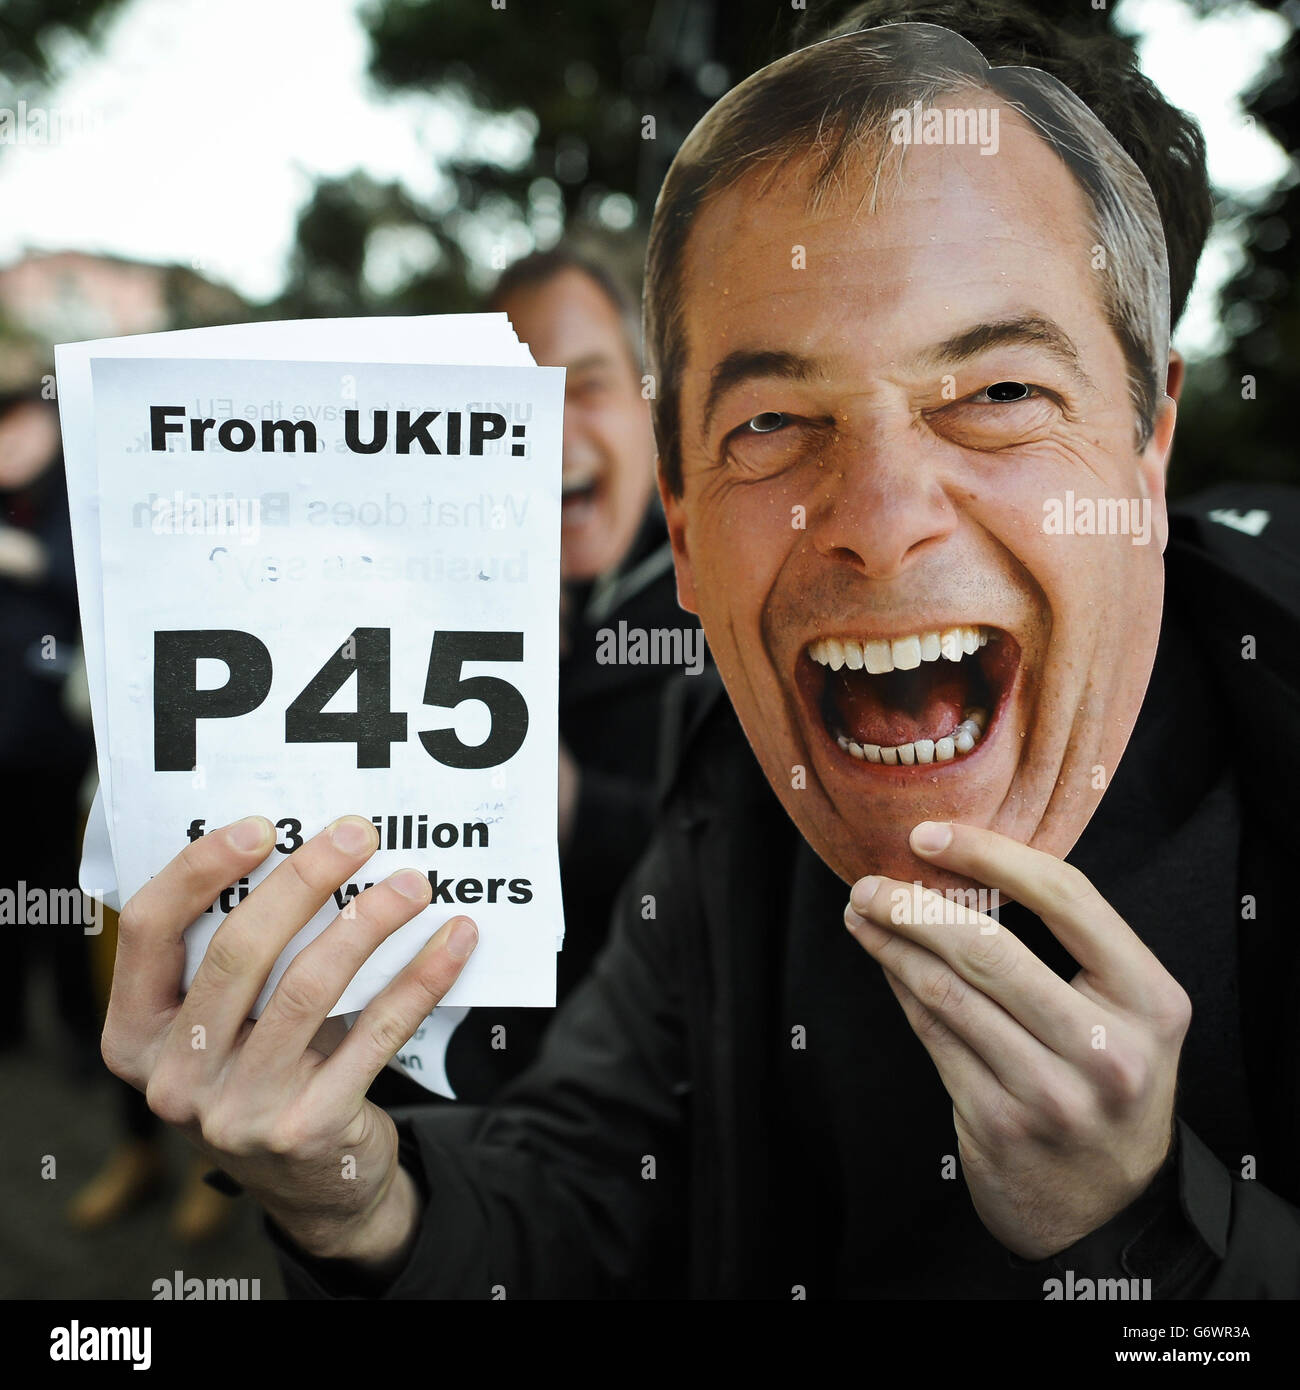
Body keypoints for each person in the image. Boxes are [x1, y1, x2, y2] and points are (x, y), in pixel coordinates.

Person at [100, 7, 1300, 1298]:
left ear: (1150, 435)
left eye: (1000, 393)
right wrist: (361, 1198)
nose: (882, 525)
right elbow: (584, 1192)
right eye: (775, 419)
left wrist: (1150, 1241)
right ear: (683, 517)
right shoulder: (732, 786)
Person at [372, 246, 703, 1104]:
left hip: (628, 1133)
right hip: (412, 1121)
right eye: (510, 397)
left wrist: (563, 800)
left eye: (586, 383)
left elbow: (758, 891)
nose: (545, 431)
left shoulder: (732, 615)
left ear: (650, 403)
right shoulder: (409, 593)